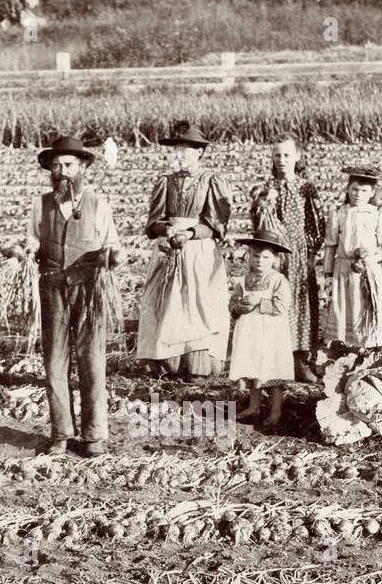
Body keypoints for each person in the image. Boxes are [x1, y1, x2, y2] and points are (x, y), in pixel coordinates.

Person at [24, 135, 123, 457]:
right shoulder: (40, 204)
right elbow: (34, 240)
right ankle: (61, 433)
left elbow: (114, 245)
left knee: (92, 361)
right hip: (52, 286)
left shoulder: (99, 205)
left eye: (68, 165)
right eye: (56, 166)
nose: (62, 171)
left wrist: (112, 256)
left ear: (82, 167)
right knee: (55, 363)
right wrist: (25, 249)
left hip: (89, 289)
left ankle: (94, 435)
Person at [136, 120, 233, 380]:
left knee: (198, 305)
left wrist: (189, 233)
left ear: (199, 152)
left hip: (198, 252)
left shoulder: (211, 180)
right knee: (165, 304)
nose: (179, 155)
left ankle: (198, 364)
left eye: (185, 150)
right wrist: (166, 230)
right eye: (176, 150)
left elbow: (216, 225)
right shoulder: (165, 182)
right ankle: (166, 363)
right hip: (169, 250)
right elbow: (153, 222)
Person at [250, 134, 327, 383]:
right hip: (275, 255)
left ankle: (301, 361)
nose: (282, 160)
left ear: (297, 156)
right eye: (277, 155)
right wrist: (263, 203)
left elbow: (318, 223)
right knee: (274, 302)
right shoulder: (265, 188)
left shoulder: (306, 188)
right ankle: (275, 362)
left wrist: (310, 254)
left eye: (286, 155)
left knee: (301, 305)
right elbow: (257, 224)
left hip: (299, 255)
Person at [322, 165, 382, 352]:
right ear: (348, 189)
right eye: (354, 189)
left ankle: (370, 346)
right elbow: (330, 246)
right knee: (343, 307)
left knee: (366, 306)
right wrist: (328, 274)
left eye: (364, 190)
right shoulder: (339, 214)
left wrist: (375, 257)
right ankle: (343, 346)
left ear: (372, 192)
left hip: (368, 270)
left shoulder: (378, 214)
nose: (358, 194)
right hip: (343, 269)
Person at [228, 229, 294, 427]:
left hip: (269, 333)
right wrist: (239, 307)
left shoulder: (278, 280)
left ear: (274, 259)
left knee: (270, 368)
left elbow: (282, 307)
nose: (260, 261)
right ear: (249, 257)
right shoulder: (244, 280)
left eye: (265, 257)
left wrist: (259, 302)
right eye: (256, 256)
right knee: (252, 366)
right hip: (250, 332)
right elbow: (232, 303)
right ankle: (254, 406)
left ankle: (275, 411)